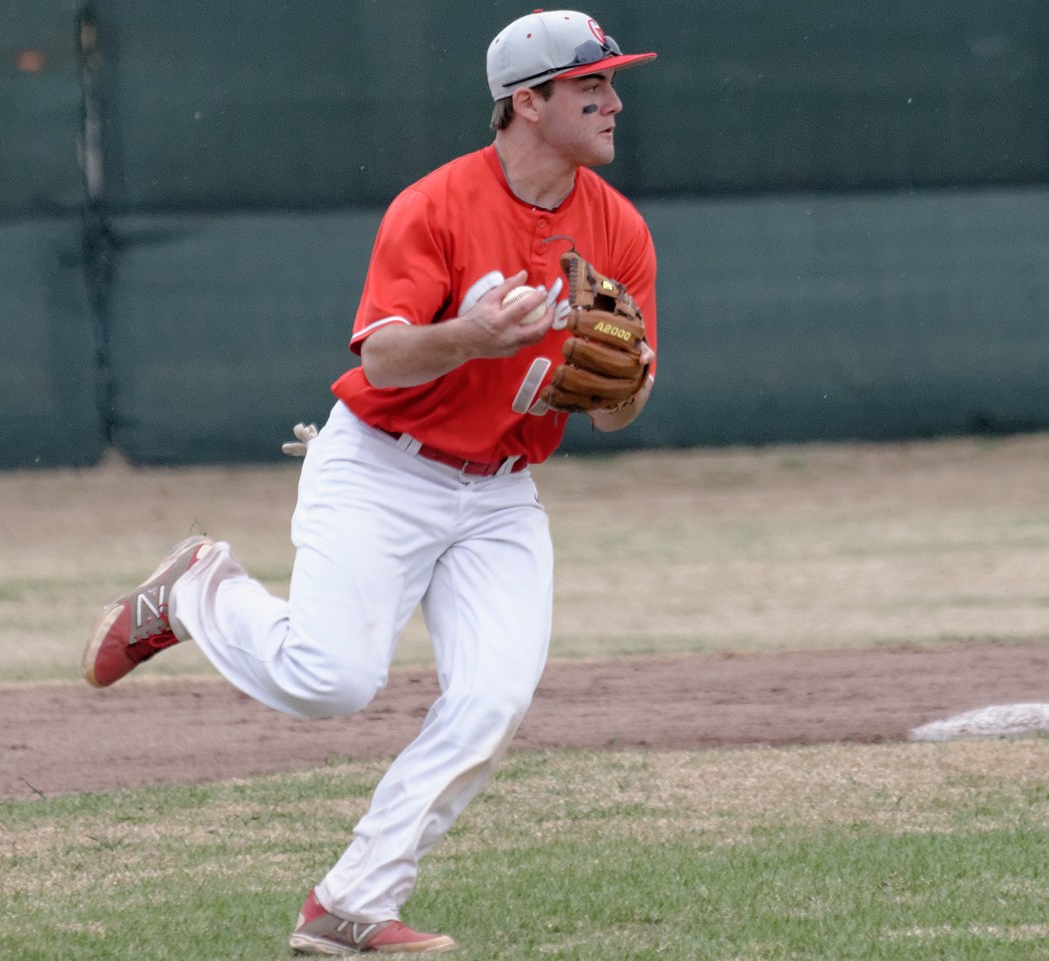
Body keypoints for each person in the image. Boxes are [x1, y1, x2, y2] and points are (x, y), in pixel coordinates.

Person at [81, 9, 658, 955]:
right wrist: (474, 338)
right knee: (331, 680)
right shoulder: (434, 205)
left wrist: (621, 383)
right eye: (591, 85)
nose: (614, 100)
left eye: (611, 82)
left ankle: (351, 902)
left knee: (493, 697)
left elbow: (619, 407)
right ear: (527, 100)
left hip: (503, 490)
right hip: (384, 465)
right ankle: (197, 589)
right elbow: (385, 360)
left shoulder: (618, 228)